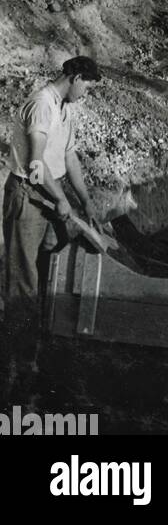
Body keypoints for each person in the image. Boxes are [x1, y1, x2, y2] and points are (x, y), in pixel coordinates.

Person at [2, 57, 102, 380]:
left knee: (45, 269)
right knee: (23, 279)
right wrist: (60, 199)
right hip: (29, 197)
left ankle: (35, 339)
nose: (86, 92)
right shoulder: (42, 104)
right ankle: (20, 361)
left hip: (48, 196)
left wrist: (84, 200)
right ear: (73, 77)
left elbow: (69, 156)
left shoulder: (64, 108)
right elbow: (35, 165)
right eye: (86, 85)